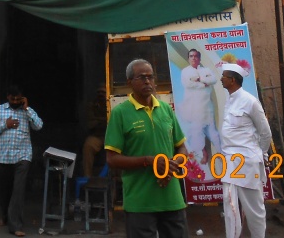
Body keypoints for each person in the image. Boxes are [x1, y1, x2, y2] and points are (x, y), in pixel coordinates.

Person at [105, 59, 189, 238]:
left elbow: (182, 149)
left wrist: (170, 165)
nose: (147, 82)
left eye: (150, 77)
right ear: (129, 82)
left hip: (172, 199)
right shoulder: (120, 114)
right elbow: (112, 159)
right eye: (141, 77)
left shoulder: (165, 109)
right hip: (140, 202)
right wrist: (148, 161)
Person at [218, 64, 272, 238]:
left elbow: (265, 133)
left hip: (247, 163)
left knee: (254, 209)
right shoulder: (230, 99)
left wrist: (260, 155)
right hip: (230, 161)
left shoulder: (250, 101)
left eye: (224, 76)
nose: (221, 79)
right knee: (229, 204)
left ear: (232, 80)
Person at [0, 85, 43, 237]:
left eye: (19, 99)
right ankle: (5, 215)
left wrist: (28, 109)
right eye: (13, 99)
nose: (15, 101)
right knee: (5, 191)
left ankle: (15, 225)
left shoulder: (26, 111)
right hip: (3, 157)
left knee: (18, 190)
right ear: (8, 97)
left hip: (22, 156)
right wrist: (5, 125)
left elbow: (38, 126)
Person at [177, 49, 221, 164]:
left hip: (207, 107)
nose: (193, 58)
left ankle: (222, 155)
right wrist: (204, 84)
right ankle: (204, 155)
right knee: (197, 133)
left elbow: (213, 80)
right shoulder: (185, 72)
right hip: (195, 108)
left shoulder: (206, 70)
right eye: (191, 56)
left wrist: (199, 79)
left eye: (196, 56)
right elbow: (188, 84)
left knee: (213, 133)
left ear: (199, 59)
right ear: (188, 58)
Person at [82, 88, 108, 177]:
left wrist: (99, 120)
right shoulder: (92, 106)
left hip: (111, 135)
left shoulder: (112, 104)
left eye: (103, 92)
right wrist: (103, 120)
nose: (101, 94)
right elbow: (90, 124)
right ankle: (87, 177)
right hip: (97, 135)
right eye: (99, 92)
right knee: (88, 146)